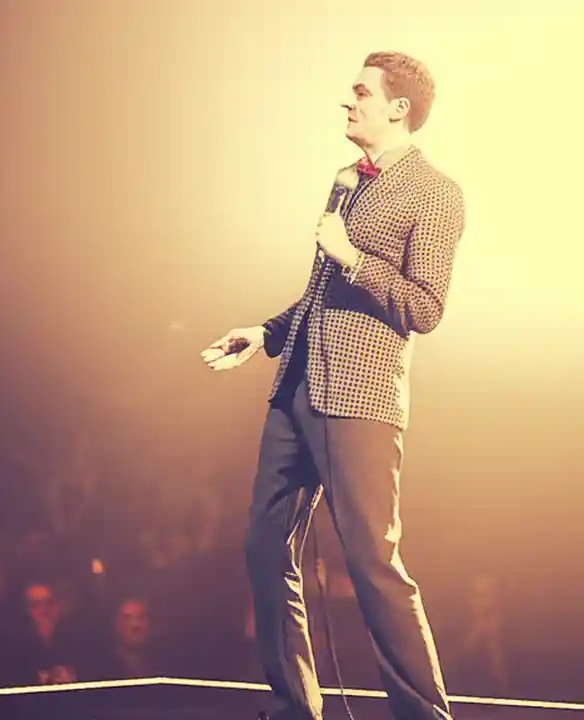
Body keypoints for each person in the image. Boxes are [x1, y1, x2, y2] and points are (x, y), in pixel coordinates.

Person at [201, 51, 464, 720]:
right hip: (296, 391)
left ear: (399, 107)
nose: (347, 103)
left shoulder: (435, 191)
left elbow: (426, 309)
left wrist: (353, 256)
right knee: (264, 546)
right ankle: (295, 708)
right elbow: (319, 295)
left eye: (361, 93)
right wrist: (265, 333)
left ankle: (425, 716)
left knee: (374, 566)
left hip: (362, 401)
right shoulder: (347, 180)